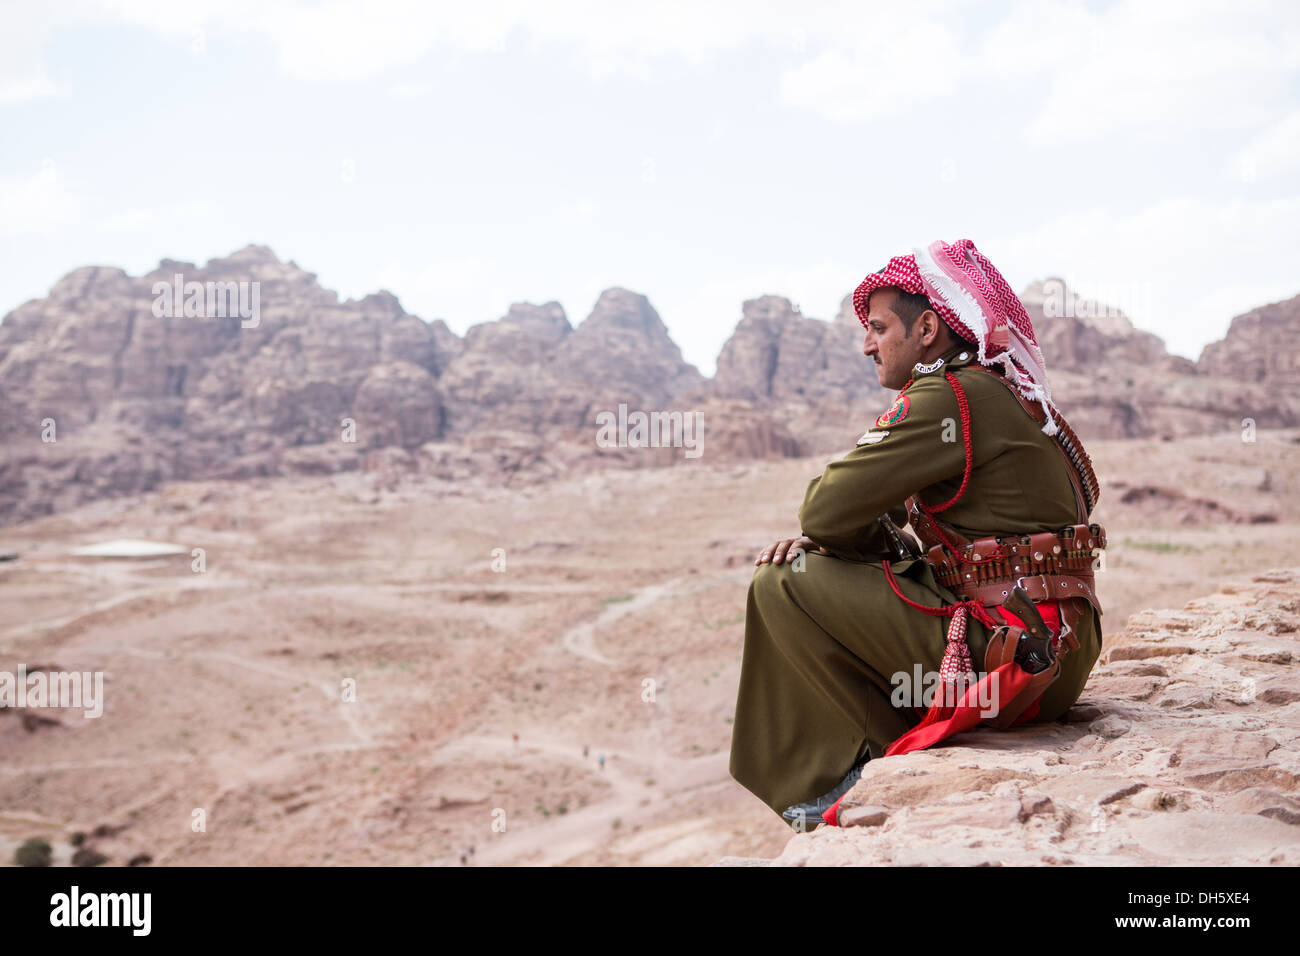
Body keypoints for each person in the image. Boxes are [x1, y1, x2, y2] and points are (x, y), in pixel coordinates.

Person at [728, 239, 1105, 827]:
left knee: (784, 581)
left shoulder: (947, 396)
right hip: (1057, 650)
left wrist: (828, 545)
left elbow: (824, 511)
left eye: (878, 328)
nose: (866, 345)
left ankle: (860, 771)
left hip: (1017, 657)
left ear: (927, 327)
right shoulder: (998, 390)